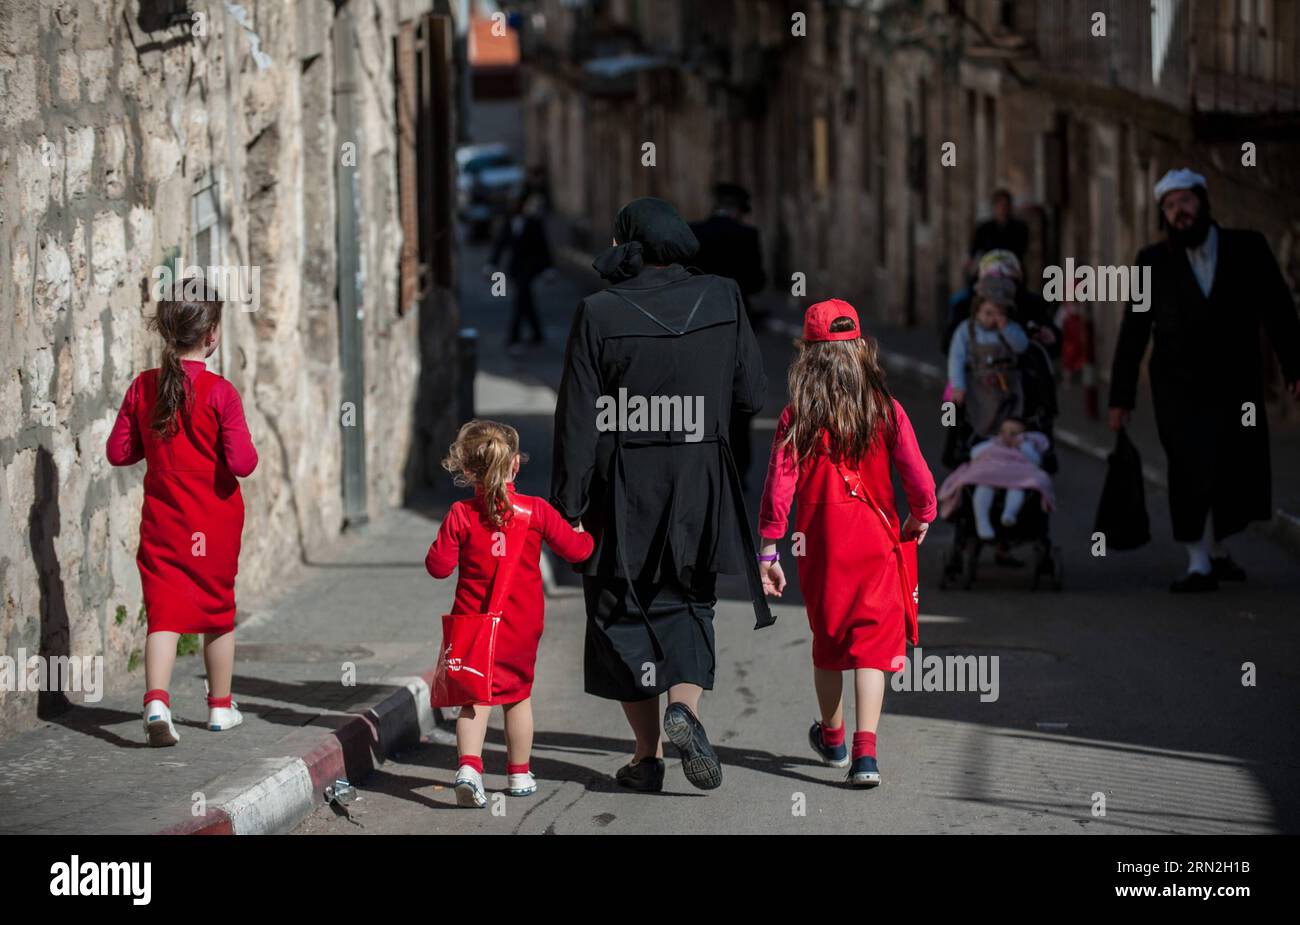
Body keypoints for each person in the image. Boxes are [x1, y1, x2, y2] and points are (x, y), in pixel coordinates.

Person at [551, 196, 772, 794]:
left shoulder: (597, 312)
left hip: (622, 489)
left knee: (624, 611)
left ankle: (646, 757)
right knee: (691, 601)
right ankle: (687, 713)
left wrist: (564, 511)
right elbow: (751, 393)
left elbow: (577, 423)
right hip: (699, 479)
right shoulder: (724, 297)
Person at [757, 299, 936, 788]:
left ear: (808, 356)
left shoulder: (797, 417)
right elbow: (918, 478)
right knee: (873, 649)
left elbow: (778, 487)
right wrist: (921, 516)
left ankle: (832, 739)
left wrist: (770, 550)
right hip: (875, 542)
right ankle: (866, 755)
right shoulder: (886, 409)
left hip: (817, 546)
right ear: (860, 349)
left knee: (829, 644)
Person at [1109, 168, 1300, 592]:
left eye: (1186, 202)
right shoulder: (1152, 262)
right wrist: (1121, 398)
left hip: (1236, 385)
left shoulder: (1247, 249)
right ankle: (1197, 561)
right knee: (1190, 466)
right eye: (1170, 206)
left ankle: (1215, 550)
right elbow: (1133, 331)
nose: (1180, 212)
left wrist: (1294, 366)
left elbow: (1278, 309)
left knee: (1231, 467)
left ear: (1203, 202)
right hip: (1178, 389)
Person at [105, 285, 258, 746]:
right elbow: (243, 463)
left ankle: (156, 701)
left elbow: (118, 452)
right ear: (211, 336)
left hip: (163, 522)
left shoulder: (143, 386)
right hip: (214, 525)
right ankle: (219, 708)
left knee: (165, 614)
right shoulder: (220, 393)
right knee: (217, 613)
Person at [425, 420, 593, 807]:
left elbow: (438, 567)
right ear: (515, 464)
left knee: (474, 698)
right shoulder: (536, 511)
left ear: (467, 470)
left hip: (472, 626)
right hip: (520, 625)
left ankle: (469, 768)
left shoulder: (461, 514)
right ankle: (518, 774)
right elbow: (579, 551)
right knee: (517, 697)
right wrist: (585, 531)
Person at [690, 182, 768, 491]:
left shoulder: (694, 232)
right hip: (736, 325)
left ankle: (705, 464)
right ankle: (737, 468)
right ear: (738, 210)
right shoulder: (747, 236)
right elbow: (757, 281)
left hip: (697, 325)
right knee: (740, 398)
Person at [939, 417, 1054, 540]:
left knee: (1018, 488)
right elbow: (975, 453)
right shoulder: (993, 443)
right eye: (1003, 431)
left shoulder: (1025, 447)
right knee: (983, 486)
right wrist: (992, 444)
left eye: (1013, 433)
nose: (1007, 436)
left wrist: (1022, 445)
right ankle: (982, 521)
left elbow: (1035, 460)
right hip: (991, 472)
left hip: (1016, 474)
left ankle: (1009, 513)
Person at [948, 277, 1031, 438]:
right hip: (978, 387)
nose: (993, 318)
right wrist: (958, 386)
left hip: (1006, 387)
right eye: (988, 313)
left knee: (1007, 425)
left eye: (998, 314)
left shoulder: (1009, 329)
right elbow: (956, 358)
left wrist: (1006, 329)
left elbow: (1021, 346)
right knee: (974, 422)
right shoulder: (966, 330)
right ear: (977, 310)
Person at [487, 191, 553, 351]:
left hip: (531, 267)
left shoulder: (534, 222)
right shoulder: (508, 223)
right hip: (515, 268)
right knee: (526, 299)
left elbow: (544, 247)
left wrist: (549, 268)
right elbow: (500, 245)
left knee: (520, 298)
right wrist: (491, 265)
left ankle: (514, 336)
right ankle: (537, 333)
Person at [969, 188, 1029, 262]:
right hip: (989, 266)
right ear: (994, 206)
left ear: (1010, 207)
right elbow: (973, 250)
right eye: (999, 205)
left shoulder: (1019, 228)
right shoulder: (984, 228)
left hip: (1011, 266)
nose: (1002, 209)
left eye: (1005, 205)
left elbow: (1022, 250)